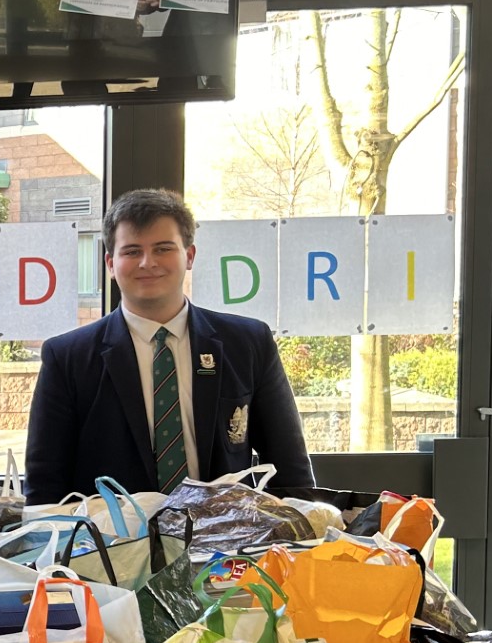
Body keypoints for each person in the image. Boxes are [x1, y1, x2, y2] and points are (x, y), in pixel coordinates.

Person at [25, 188, 313, 504]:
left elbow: (291, 470)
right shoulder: (67, 358)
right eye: (131, 251)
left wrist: (301, 527)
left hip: (223, 531)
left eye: (163, 248)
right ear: (110, 264)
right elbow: (45, 488)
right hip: (113, 534)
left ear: (189, 256)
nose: (147, 262)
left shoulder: (248, 343)